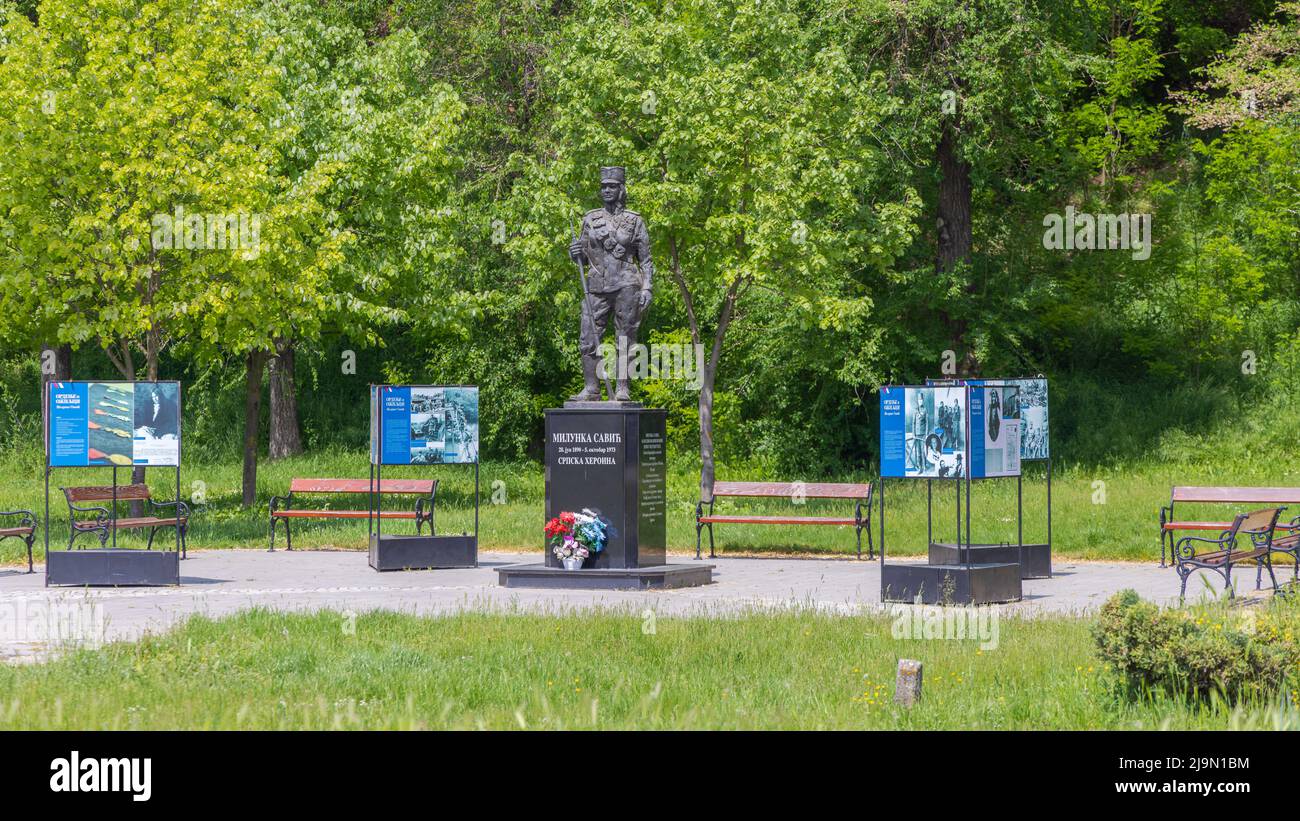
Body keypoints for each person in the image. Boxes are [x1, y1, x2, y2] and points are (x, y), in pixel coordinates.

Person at [568, 166, 655, 402]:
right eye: (604, 186)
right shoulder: (590, 219)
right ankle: (591, 388)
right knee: (587, 337)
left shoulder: (635, 221)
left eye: (612, 186)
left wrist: (647, 287)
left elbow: (646, 260)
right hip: (596, 286)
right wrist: (575, 252)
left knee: (625, 337)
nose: (607, 190)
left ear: (621, 189)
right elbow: (583, 256)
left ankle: (622, 388)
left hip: (627, 284)